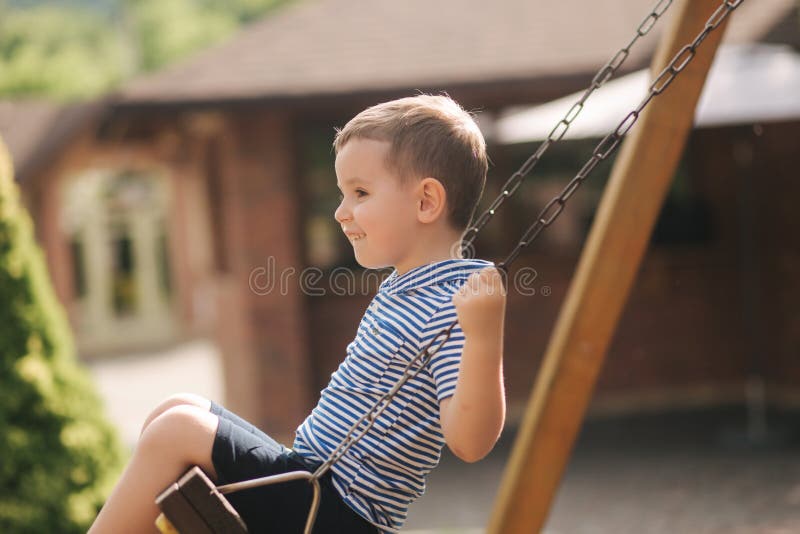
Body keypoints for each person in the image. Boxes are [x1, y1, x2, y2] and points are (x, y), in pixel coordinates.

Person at [89, 94, 506, 534]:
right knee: (178, 407)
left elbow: (470, 442)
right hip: (310, 479)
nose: (341, 212)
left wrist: (484, 337)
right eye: (343, 193)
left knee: (177, 429)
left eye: (360, 193)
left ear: (426, 202)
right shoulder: (407, 286)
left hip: (338, 510)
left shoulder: (456, 304)